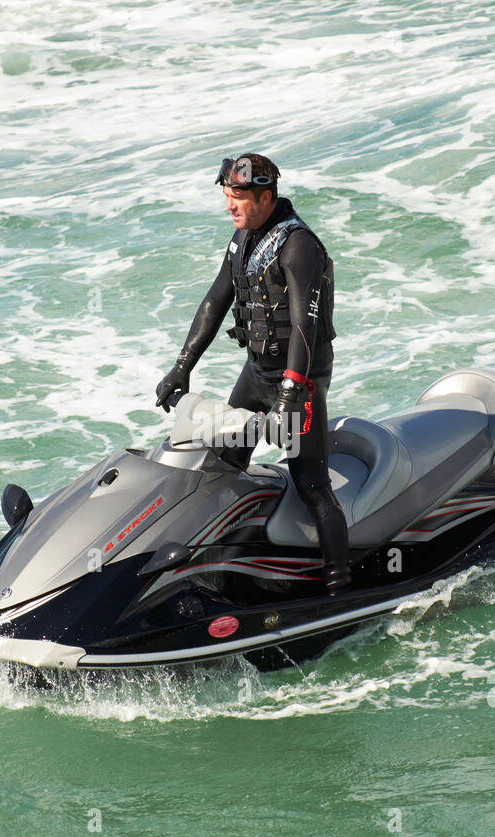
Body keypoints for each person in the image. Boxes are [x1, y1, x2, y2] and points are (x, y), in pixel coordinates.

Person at [154, 153, 351, 594]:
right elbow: (214, 302)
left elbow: (305, 324)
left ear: (266, 196)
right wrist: (181, 368)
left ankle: (340, 582)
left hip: (298, 381)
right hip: (257, 374)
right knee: (223, 465)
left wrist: (290, 393)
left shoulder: (298, 246)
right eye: (227, 197)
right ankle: (227, 563)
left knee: (312, 485)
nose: (230, 206)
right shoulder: (241, 239)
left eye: (237, 198)